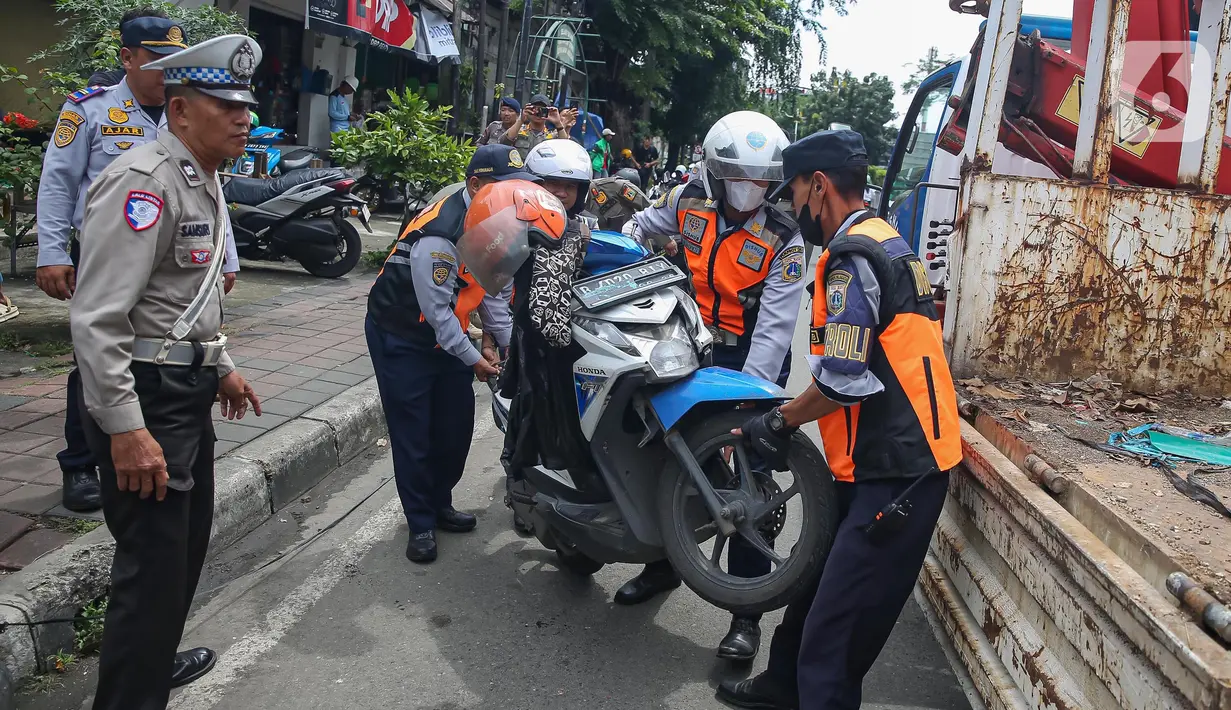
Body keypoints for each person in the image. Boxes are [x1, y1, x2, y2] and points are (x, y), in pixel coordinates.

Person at [716, 129, 962, 710]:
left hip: (898, 471)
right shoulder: (886, 238)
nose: (790, 207)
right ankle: (781, 686)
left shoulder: (851, 258)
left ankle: (807, 690)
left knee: (834, 641)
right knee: (813, 590)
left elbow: (842, 380)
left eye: (795, 191)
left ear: (819, 186)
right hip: (873, 464)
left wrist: (780, 422)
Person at [71, 33, 264, 710]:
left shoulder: (199, 174)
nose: (243, 117)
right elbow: (98, 320)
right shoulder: (143, 183)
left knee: (178, 560)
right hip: (145, 400)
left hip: (185, 391)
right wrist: (125, 429)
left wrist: (225, 368)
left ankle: (151, 669)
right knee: (151, 572)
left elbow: (183, 302)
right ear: (180, 110)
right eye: (225, 104)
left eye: (246, 104)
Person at [619, 110, 806, 662]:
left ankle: (745, 616)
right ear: (716, 173)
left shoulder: (786, 238)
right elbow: (638, 228)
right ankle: (662, 565)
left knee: (749, 485)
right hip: (684, 351)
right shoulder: (686, 201)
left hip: (749, 360)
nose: (752, 190)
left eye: (763, 180)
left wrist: (738, 419)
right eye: (741, 178)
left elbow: (773, 335)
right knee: (665, 459)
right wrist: (627, 250)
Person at [36, 8, 239, 514]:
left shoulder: (191, 109)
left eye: (176, 60)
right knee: (97, 351)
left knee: (162, 349)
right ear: (127, 58)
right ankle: (82, 461)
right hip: (111, 248)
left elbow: (211, 194)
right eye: (156, 59)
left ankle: (155, 447)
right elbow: (58, 182)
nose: (166, 70)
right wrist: (53, 251)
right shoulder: (91, 109)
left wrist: (225, 258)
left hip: (179, 253)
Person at [366, 144, 531, 563]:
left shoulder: (500, 222)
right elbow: (437, 314)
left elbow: (493, 294)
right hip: (402, 335)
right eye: (504, 188)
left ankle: (440, 502)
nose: (514, 198)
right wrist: (473, 358)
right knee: (414, 431)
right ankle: (420, 522)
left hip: (448, 333)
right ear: (475, 185)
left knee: (455, 428)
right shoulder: (441, 234)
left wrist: (511, 345)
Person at [501, 93, 578, 159]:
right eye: (534, 109)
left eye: (542, 110)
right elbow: (504, 142)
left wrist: (558, 122)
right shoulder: (518, 131)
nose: (537, 112)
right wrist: (521, 119)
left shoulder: (551, 136)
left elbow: (564, 146)